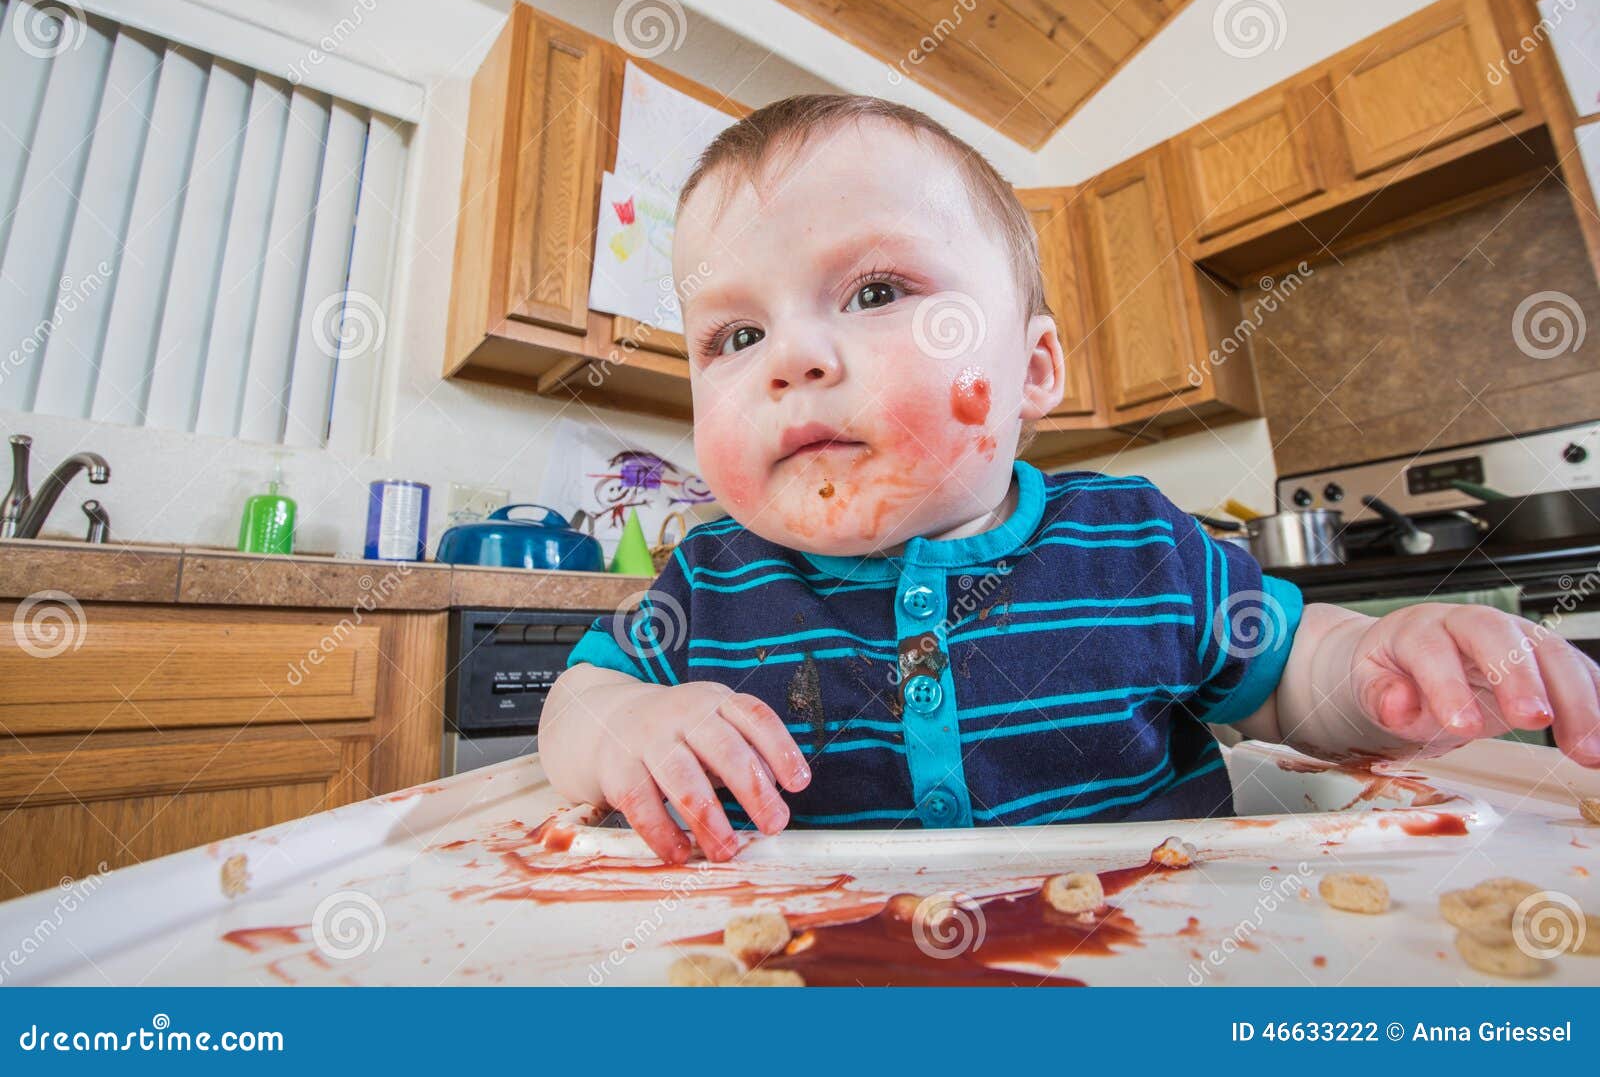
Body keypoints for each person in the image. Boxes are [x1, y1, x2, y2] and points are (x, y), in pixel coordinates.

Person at [540, 95, 1600, 865]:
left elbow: (1288, 679)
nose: (791, 358)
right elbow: (575, 707)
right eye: (734, 334)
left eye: (875, 290)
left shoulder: (1137, 545)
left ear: (1033, 370)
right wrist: (622, 729)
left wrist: (1376, 665)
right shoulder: (711, 579)